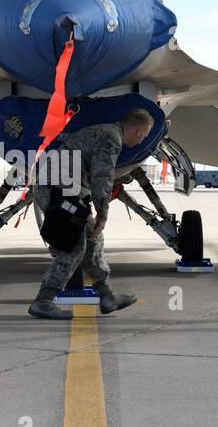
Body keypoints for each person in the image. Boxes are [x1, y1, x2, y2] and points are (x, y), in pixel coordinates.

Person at [29, 108, 154, 320]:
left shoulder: (106, 133)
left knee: (93, 239)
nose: (142, 141)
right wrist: (102, 215)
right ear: (136, 130)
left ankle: (106, 296)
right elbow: (102, 177)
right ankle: (43, 301)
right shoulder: (111, 138)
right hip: (57, 190)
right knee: (74, 245)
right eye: (143, 135)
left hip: (66, 190)